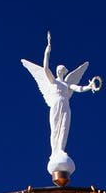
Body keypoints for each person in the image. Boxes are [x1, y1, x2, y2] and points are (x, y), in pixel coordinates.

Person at [21, 33, 101, 172]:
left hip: (65, 104)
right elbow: (45, 68)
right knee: (55, 128)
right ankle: (54, 152)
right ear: (59, 71)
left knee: (64, 127)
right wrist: (48, 50)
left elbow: (77, 88)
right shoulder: (53, 81)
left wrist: (89, 87)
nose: (64, 72)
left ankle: (61, 150)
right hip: (56, 103)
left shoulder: (66, 83)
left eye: (65, 71)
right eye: (63, 70)